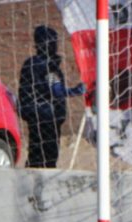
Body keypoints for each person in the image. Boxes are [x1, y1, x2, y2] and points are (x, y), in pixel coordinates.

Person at [18, 26, 85, 169]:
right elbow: (57, 90)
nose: (55, 45)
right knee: (48, 157)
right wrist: (78, 90)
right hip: (47, 119)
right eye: (52, 42)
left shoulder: (30, 63)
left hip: (35, 117)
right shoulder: (46, 66)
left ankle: (31, 184)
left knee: (35, 154)